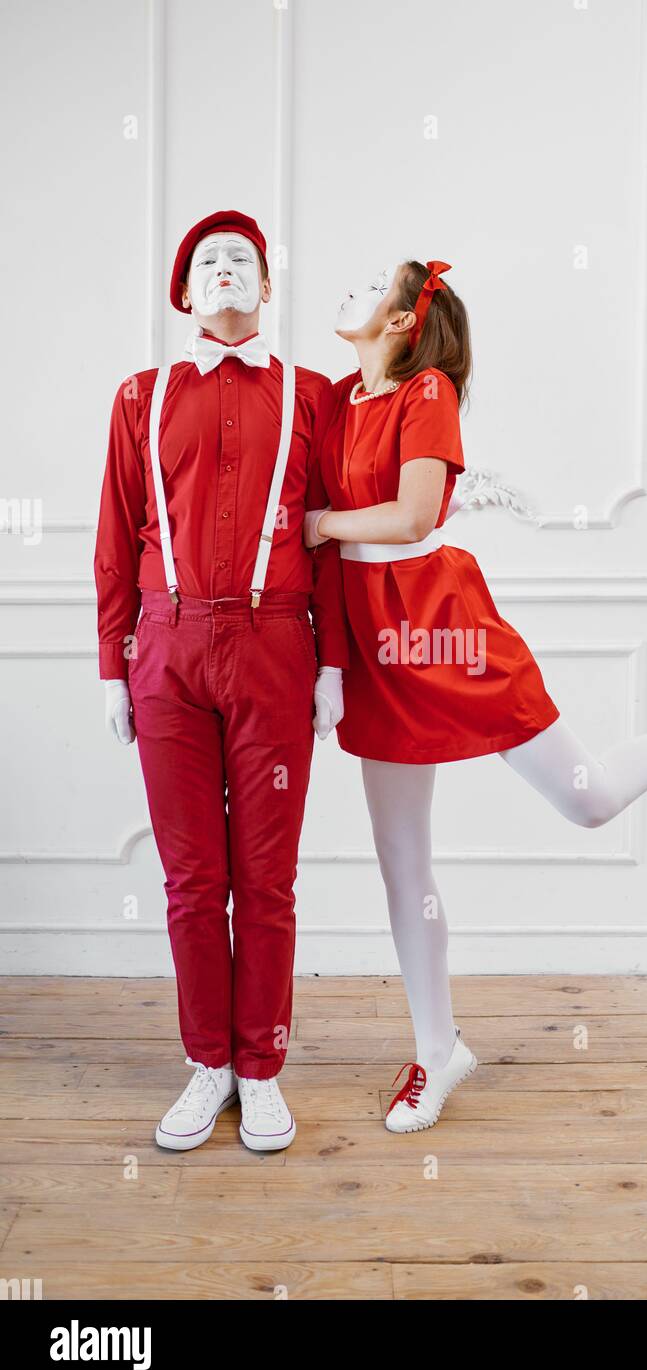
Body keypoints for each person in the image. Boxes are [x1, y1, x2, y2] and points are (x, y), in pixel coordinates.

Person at [305, 259, 647, 1133]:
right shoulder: (336, 399)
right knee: (401, 857)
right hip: (374, 638)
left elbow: (412, 516)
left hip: (440, 623)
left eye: (375, 283)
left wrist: (320, 524)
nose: (351, 285)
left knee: (588, 800)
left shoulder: (427, 393)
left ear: (404, 320)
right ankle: (437, 1049)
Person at [95, 210, 349, 1152]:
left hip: (276, 645)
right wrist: (113, 668)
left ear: (267, 287)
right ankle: (210, 1064)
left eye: (244, 258)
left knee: (267, 879)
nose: (227, 269)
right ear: (186, 292)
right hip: (166, 649)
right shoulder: (140, 396)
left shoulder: (311, 395)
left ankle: (263, 1068)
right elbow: (114, 538)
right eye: (210, 260)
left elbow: (329, 537)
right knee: (193, 880)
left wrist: (333, 663)